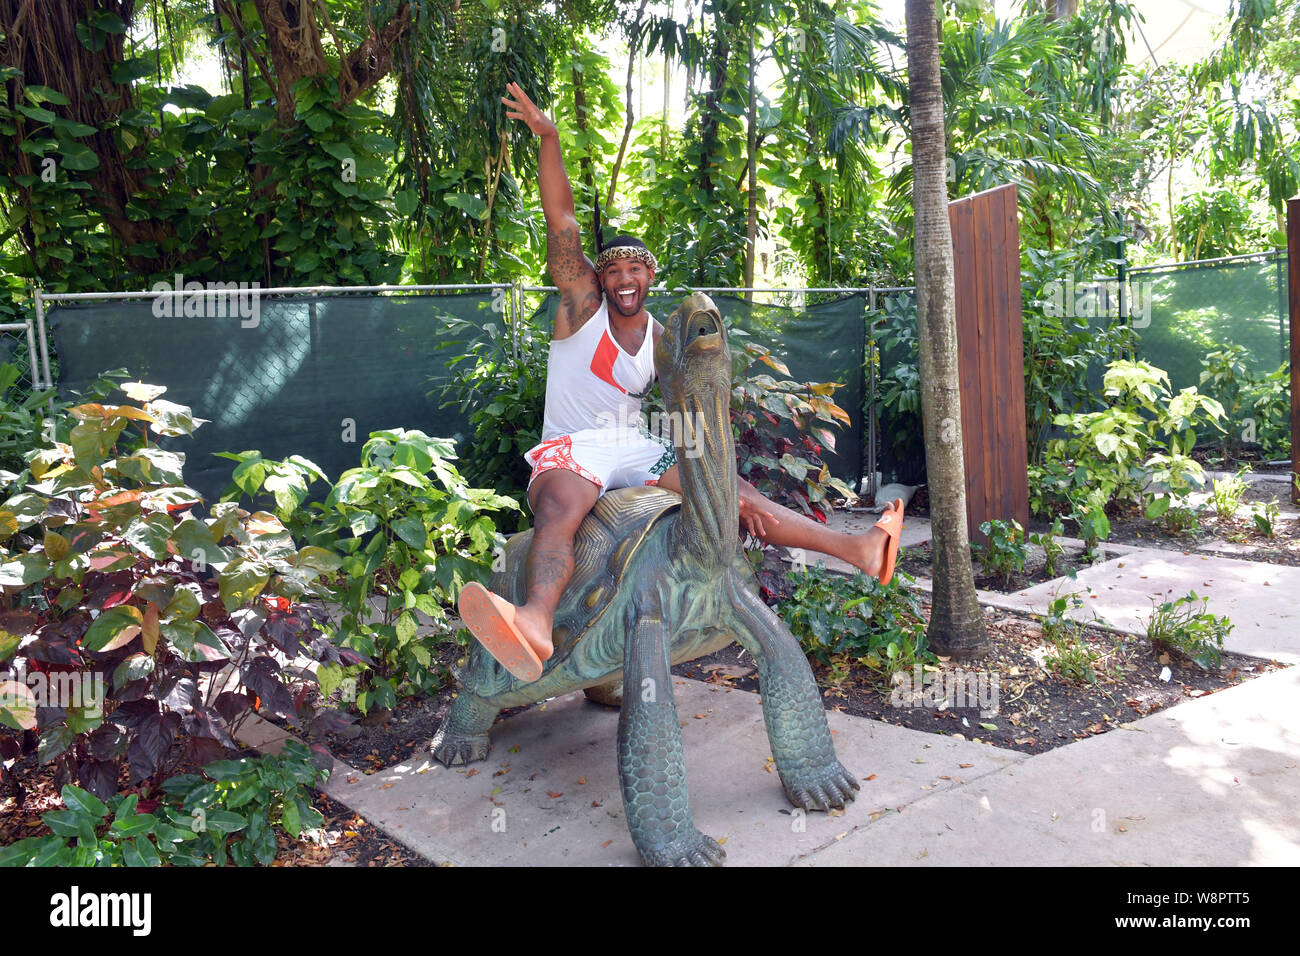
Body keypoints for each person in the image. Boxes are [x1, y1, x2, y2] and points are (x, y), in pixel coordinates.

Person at [457, 81, 904, 682]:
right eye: (610, 269)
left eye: (633, 269)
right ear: (598, 276)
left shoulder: (664, 338)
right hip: (576, 446)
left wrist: (708, 475)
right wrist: (551, 137)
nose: (621, 278)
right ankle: (534, 621)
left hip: (635, 446)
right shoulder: (581, 307)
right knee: (561, 507)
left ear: (648, 276)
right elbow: (559, 218)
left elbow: (687, 408)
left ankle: (859, 549)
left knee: (731, 490)